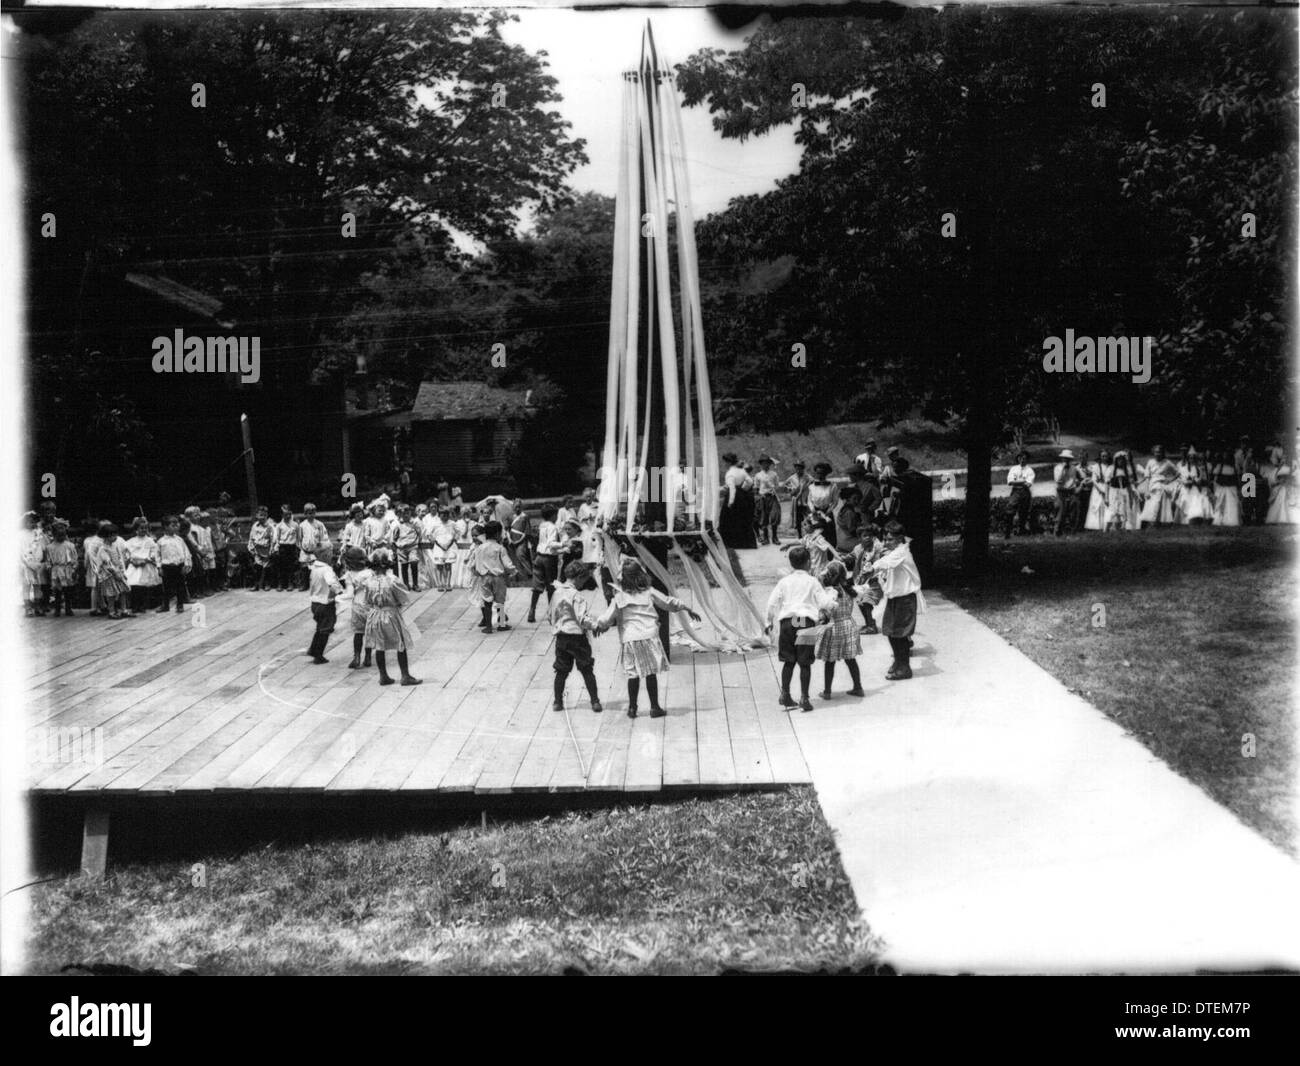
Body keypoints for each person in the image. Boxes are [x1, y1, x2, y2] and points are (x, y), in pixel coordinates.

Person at [593, 558, 700, 719]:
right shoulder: (649, 592)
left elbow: (607, 618)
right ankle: (654, 707)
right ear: (641, 575)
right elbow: (668, 602)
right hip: (649, 637)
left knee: (632, 674)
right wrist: (687, 607)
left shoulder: (619, 597)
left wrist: (598, 626)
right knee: (650, 673)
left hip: (630, 639)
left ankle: (632, 708)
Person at [764, 543, 836, 712]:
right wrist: (833, 602)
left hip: (788, 622)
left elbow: (771, 603)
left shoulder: (784, 582)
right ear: (808, 562)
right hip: (805, 622)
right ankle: (804, 697)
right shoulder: (813, 581)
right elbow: (824, 602)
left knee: (788, 660)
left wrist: (768, 622)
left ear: (791, 563)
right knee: (805, 662)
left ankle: (785, 694)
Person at [865, 520, 925, 681]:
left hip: (905, 599)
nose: (886, 542)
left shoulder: (902, 552)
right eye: (885, 539)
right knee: (891, 632)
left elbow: (886, 563)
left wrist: (872, 567)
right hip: (894, 598)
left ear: (899, 539)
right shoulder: (895, 551)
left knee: (900, 634)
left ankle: (904, 667)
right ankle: (898, 662)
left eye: (890, 539)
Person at [548, 560, 604, 714]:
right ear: (579, 578)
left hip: (561, 637)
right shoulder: (577, 596)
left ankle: (557, 702)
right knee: (586, 669)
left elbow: (550, 614)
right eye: (584, 580)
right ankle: (595, 701)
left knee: (561, 671)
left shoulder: (556, 592)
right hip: (577, 638)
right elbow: (582, 618)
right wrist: (595, 626)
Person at [361, 550, 421, 685]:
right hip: (391, 614)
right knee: (400, 643)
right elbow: (404, 598)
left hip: (375, 614)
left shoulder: (368, 581)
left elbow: (366, 601)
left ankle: (383, 676)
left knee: (379, 645)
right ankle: (405, 675)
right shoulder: (393, 580)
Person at [815, 560, 865, 699]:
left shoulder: (831, 591)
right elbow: (862, 592)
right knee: (851, 659)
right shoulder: (849, 589)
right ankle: (858, 687)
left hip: (834, 627)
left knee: (829, 662)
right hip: (849, 625)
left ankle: (827, 692)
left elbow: (826, 609)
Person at [474, 520, 516, 633]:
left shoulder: (480, 548)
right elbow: (507, 563)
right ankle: (501, 624)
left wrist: (479, 573)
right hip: (498, 577)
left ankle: (488, 626)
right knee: (500, 601)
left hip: (484, 577)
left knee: (487, 601)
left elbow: (476, 564)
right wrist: (513, 571)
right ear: (497, 534)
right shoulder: (500, 548)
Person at [305, 551, 343, 664]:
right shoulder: (327, 570)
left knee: (319, 627)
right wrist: (339, 591)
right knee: (326, 628)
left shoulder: (314, 568)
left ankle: (313, 649)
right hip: (325, 603)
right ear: (325, 556)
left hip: (315, 602)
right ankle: (318, 655)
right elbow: (332, 583)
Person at [340, 546, 374, 671]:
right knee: (369, 633)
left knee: (358, 633)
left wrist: (338, 597)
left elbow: (349, 594)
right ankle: (368, 657)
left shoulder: (349, 575)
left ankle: (357, 657)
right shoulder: (370, 572)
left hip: (357, 607)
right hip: (370, 605)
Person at [528, 503, 562, 622]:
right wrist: (563, 545)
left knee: (537, 586)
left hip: (539, 556)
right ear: (553, 515)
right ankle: (551, 612)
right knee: (550, 586)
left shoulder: (542, 525)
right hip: (548, 558)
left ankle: (532, 610)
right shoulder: (552, 527)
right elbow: (551, 543)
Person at [718, 453, 757, 549]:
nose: (724, 464)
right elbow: (750, 481)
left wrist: (730, 502)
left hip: (733, 497)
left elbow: (732, 489)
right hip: (742, 497)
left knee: (728, 520)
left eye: (725, 462)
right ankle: (745, 543)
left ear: (728, 462)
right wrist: (744, 488)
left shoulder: (730, 473)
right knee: (743, 519)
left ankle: (732, 543)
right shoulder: (742, 471)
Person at [92, 523, 131, 619]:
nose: (115, 537)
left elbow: (119, 558)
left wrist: (122, 570)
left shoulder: (115, 546)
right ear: (106, 536)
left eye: (115, 534)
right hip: (109, 575)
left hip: (118, 572)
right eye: (112, 535)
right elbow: (107, 563)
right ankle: (111, 611)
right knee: (111, 594)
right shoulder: (103, 549)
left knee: (123, 591)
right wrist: (115, 572)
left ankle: (124, 610)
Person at [123, 516, 161, 614]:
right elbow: (127, 553)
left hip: (145, 565)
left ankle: (142, 605)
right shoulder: (131, 541)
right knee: (135, 586)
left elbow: (153, 552)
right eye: (141, 528)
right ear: (136, 529)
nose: (144, 530)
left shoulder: (150, 540)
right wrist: (132, 560)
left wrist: (148, 559)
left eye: (145, 528)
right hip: (135, 565)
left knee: (143, 587)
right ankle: (135, 606)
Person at [43, 519, 79, 617]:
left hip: (67, 570)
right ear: (54, 535)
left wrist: (74, 567)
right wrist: (49, 568)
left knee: (68, 591)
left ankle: (68, 608)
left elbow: (74, 557)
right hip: (56, 570)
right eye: (59, 536)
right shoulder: (50, 547)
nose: (61, 537)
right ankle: (57, 609)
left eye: (63, 535)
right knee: (57, 591)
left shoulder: (70, 546)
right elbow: (48, 559)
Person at [156, 515, 192, 612]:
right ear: (165, 527)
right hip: (167, 566)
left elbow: (186, 553)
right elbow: (158, 556)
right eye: (173, 525)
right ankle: (165, 605)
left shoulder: (179, 540)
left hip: (179, 566)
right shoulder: (161, 541)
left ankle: (180, 605)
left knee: (180, 586)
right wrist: (159, 567)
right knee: (166, 587)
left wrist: (186, 564)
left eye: (177, 524)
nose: (176, 526)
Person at [1139, 445, 1182, 527]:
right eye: (1156, 452)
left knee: (1159, 503)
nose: (1157, 454)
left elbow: (1178, 473)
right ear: (1153, 453)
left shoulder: (1167, 462)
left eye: (1159, 452)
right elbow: (1147, 477)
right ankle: (1152, 522)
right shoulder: (1150, 462)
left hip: (1162, 485)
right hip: (1152, 485)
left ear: (1162, 453)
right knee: (1152, 504)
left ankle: (1158, 522)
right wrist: (1147, 490)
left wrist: (1170, 480)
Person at [298, 503, 331, 590]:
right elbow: (300, 538)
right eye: (308, 513)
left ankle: (316, 585)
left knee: (316, 569)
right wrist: (302, 547)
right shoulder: (302, 525)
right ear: (305, 514)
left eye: (313, 513)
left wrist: (321, 546)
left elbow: (323, 537)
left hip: (316, 551)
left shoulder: (319, 525)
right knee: (304, 568)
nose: (311, 515)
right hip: (305, 550)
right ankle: (304, 584)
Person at [1105, 452, 1141, 531]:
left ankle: (1122, 527)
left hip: (1124, 491)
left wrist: (1131, 498)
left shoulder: (1126, 470)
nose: (1120, 462)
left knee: (1123, 509)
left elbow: (1129, 485)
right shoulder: (1111, 469)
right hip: (1114, 491)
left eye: (1122, 460)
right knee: (1113, 509)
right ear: (1116, 460)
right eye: (1119, 460)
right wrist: (1106, 497)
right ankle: (1110, 527)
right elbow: (1107, 484)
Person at [20, 512, 47, 617]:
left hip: (37, 563)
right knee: (26, 586)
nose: (31, 523)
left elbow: (43, 548)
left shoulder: (39, 534)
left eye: (33, 521)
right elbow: (20, 550)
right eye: (28, 521)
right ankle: (28, 608)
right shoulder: (21, 535)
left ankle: (38, 607)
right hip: (26, 563)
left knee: (37, 586)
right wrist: (26, 562)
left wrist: (41, 561)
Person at [1004, 450, 1036, 537]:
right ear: (1018, 459)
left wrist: (1016, 481)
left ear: (1027, 459)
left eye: (1024, 458)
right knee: (1010, 509)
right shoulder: (1013, 469)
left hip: (1025, 492)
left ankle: (1021, 531)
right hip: (1015, 491)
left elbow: (1028, 484)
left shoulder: (1030, 471)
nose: (1022, 460)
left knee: (1024, 512)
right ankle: (1007, 532)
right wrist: (1022, 481)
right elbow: (1010, 482)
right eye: (1020, 458)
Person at [752, 455, 782, 545]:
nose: (766, 465)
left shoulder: (774, 474)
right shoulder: (758, 475)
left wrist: (772, 488)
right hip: (762, 498)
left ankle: (775, 537)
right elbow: (756, 487)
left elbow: (777, 485)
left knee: (774, 516)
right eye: (763, 463)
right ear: (761, 464)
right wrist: (757, 497)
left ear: (769, 464)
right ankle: (766, 538)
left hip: (772, 497)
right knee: (763, 518)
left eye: (767, 463)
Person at [1207, 447, 1240, 527]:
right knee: (1220, 504)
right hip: (1221, 488)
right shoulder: (1219, 467)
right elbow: (1215, 478)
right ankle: (1219, 520)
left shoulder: (1234, 467)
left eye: (1228, 455)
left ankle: (1231, 521)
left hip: (1232, 489)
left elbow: (1237, 479)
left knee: (1232, 504)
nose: (1226, 457)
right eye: (1225, 455)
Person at [782, 460, 812, 542]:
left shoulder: (807, 477)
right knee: (798, 519)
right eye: (797, 468)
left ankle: (810, 534)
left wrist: (807, 487)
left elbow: (813, 482)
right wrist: (791, 490)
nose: (798, 470)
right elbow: (784, 485)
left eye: (800, 468)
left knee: (810, 517)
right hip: (796, 501)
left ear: (803, 469)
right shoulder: (792, 477)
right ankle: (799, 535)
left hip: (806, 500)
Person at [1052, 450, 1080, 536]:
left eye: (1068, 459)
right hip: (1061, 492)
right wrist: (1063, 469)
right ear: (1062, 459)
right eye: (1065, 458)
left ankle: (1072, 532)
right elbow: (1058, 480)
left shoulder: (1073, 468)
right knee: (1060, 513)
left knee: (1073, 512)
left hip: (1071, 492)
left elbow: (1073, 480)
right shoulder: (1057, 468)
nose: (1067, 460)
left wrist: (1076, 485)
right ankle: (1057, 533)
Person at [392, 504, 421, 589]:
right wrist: (396, 546)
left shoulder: (414, 523)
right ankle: (406, 584)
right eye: (403, 514)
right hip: (402, 548)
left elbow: (419, 533)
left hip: (412, 547)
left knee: (414, 563)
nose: (405, 515)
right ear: (400, 515)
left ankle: (415, 584)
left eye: (407, 513)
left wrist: (417, 542)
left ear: (410, 513)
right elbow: (394, 537)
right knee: (404, 566)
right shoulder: (398, 525)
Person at [273, 505, 300, 591]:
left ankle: (290, 583)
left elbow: (298, 537)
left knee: (290, 566)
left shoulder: (295, 525)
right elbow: (277, 538)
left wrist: (298, 547)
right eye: (285, 514)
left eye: (289, 514)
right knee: (281, 567)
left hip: (291, 547)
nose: (287, 516)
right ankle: (281, 584)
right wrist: (276, 548)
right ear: (282, 515)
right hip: (282, 547)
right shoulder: (279, 525)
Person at [247, 506, 275, 591]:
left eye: (264, 515)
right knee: (257, 568)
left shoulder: (270, 526)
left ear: (267, 516)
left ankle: (267, 584)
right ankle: (256, 584)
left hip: (266, 549)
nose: (262, 517)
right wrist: (250, 546)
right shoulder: (255, 526)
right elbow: (251, 537)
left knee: (267, 567)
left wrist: (272, 549)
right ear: (257, 516)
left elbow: (272, 538)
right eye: (260, 515)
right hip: (257, 550)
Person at [1084, 451, 1112, 531]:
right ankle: (1096, 526)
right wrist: (1100, 489)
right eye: (1102, 456)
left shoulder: (1110, 466)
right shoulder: (1096, 466)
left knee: (1107, 506)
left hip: (1107, 487)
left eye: (1106, 456)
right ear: (1100, 457)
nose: (1104, 458)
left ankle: (1105, 526)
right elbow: (1094, 480)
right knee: (1097, 506)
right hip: (1098, 488)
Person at [82, 519, 103, 615]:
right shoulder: (100, 540)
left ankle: (101, 606)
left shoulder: (86, 540)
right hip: (98, 566)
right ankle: (94, 608)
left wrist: (85, 565)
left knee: (95, 587)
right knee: (96, 587)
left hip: (91, 566)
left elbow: (86, 555)